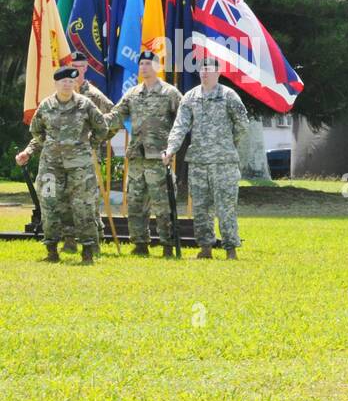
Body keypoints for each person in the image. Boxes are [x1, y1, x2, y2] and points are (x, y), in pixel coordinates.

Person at [15, 65, 112, 264]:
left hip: (80, 166)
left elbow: (102, 128)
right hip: (51, 166)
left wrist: (88, 145)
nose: (67, 84)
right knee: (49, 204)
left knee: (83, 206)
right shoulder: (46, 105)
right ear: (56, 83)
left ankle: (87, 251)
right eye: (63, 81)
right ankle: (51, 251)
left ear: (75, 82)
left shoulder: (85, 105)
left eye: (70, 81)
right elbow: (36, 130)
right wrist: (49, 146)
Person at [164, 56, 250, 259]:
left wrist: (228, 145)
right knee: (201, 208)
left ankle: (230, 249)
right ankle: (205, 248)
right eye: (202, 69)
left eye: (209, 69)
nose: (204, 72)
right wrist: (170, 150)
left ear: (218, 73)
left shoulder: (228, 95)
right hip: (198, 162)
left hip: (224, 163)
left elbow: (242, 125)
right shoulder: (190, 97)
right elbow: (180, 126)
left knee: (225, 208)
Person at [106, 50, 182, 257]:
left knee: (163, 204)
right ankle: (140, 244)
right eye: (141, 64)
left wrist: (173, 146)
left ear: (156, 67)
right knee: (135, 202)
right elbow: (116, 115)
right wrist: (94, 122)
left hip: (159, 157)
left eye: (148, 64)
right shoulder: (132, 93)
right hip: (137, 157)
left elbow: (183, 121)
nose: (144, 67)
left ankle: (167, 244)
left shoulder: (170, 93)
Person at [50, 50, 115, 252]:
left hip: (86, 156)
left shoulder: (92, 95)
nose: (76, 71)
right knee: (66, 199)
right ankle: (69, 240)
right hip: (63, 158)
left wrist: (94, 142)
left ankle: (96, 239)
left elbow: (112, 118)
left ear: (86, 68)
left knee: (88, 200)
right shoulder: (61, 94)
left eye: (80, 67)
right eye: (73, 67)